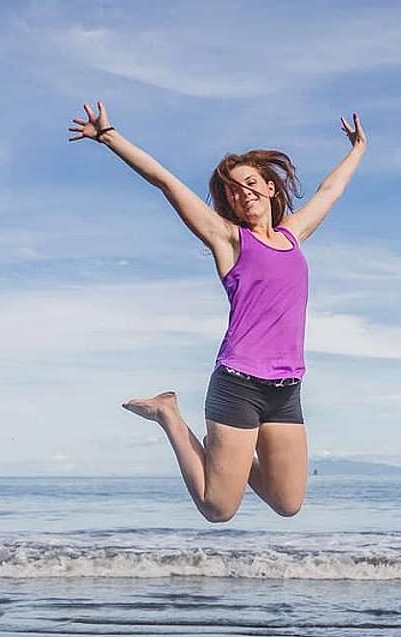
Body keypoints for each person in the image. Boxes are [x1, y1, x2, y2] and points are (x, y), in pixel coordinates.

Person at [69, 101, 366, 522]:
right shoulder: (228, 240)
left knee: (288, 503)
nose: (240, 193)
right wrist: (110, 136)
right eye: (231, 189)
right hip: (238, 384)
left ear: (268, 186)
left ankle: (233, 459)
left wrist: (357, 149)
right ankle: (167, 413)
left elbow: (329, 191)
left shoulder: (293, 235)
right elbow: (166, 183)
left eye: (248, 183)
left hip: (286, 388)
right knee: (217, 507)